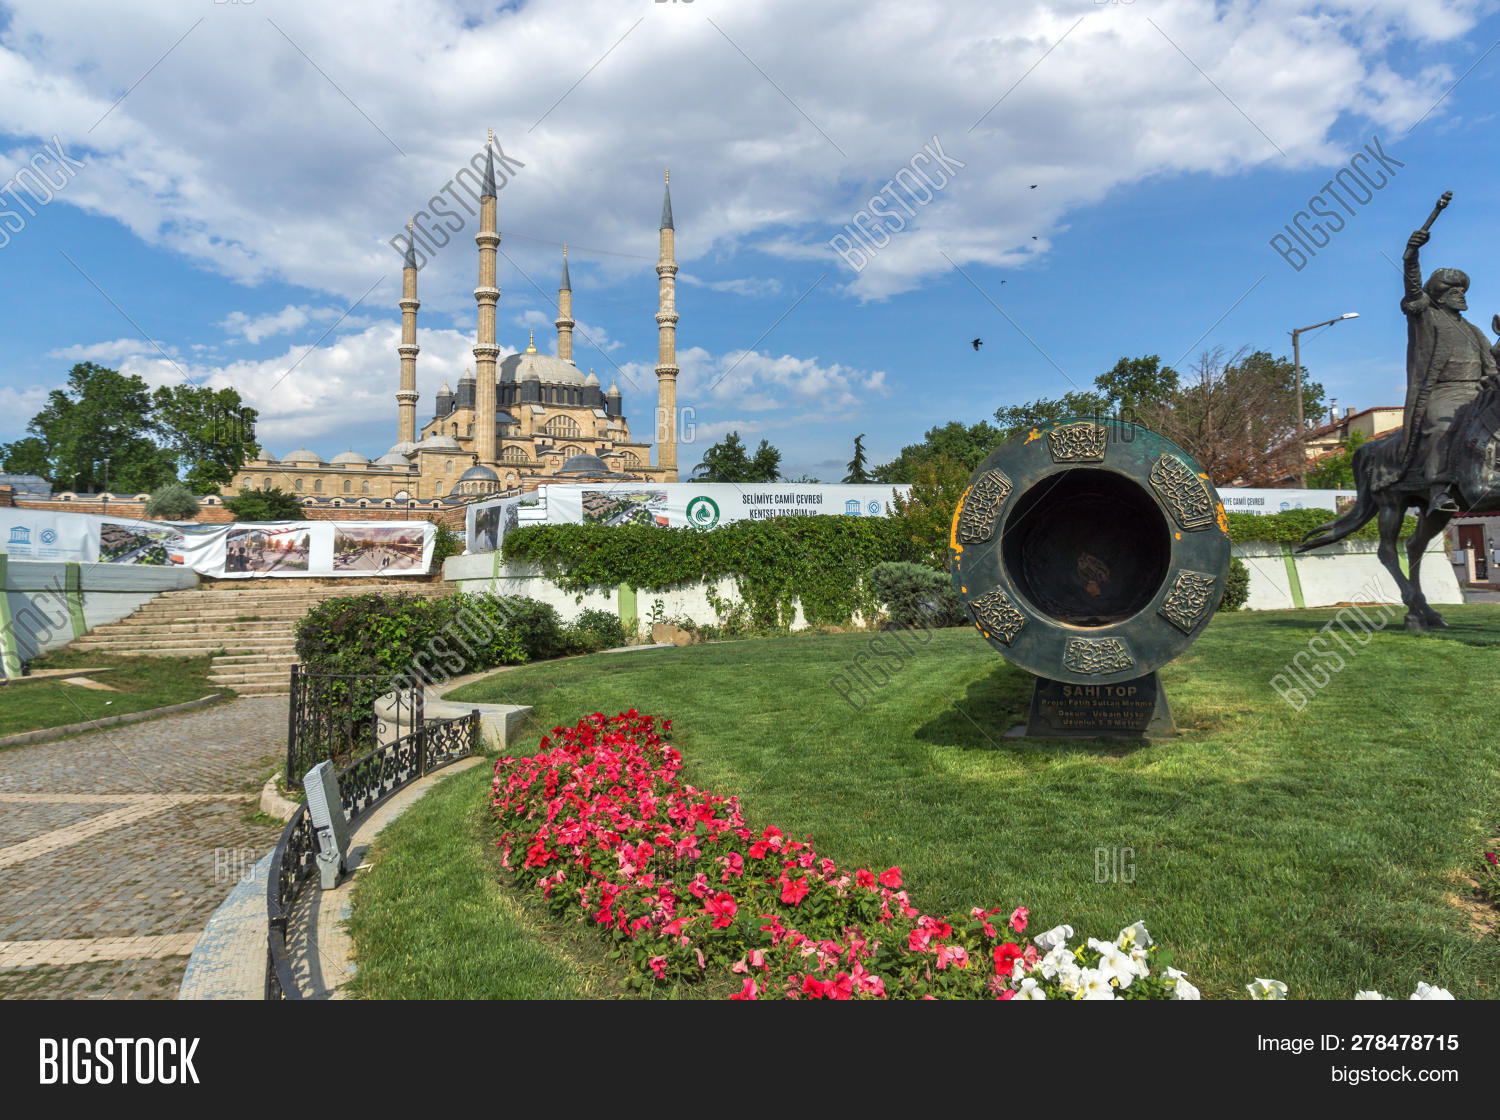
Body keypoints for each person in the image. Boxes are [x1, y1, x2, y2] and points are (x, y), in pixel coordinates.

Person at [1400, 227, 1499, 512]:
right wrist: (1411, 256)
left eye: (1462, 290)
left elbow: (1491, 366)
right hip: (1443, 394)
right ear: (1438, 296)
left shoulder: (1475, 331)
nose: (1459, 294)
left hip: (1478, 394)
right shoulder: (1425, 318)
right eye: (1452, 290)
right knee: (1443, 426)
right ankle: (1439, 488)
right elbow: (1412, 289)